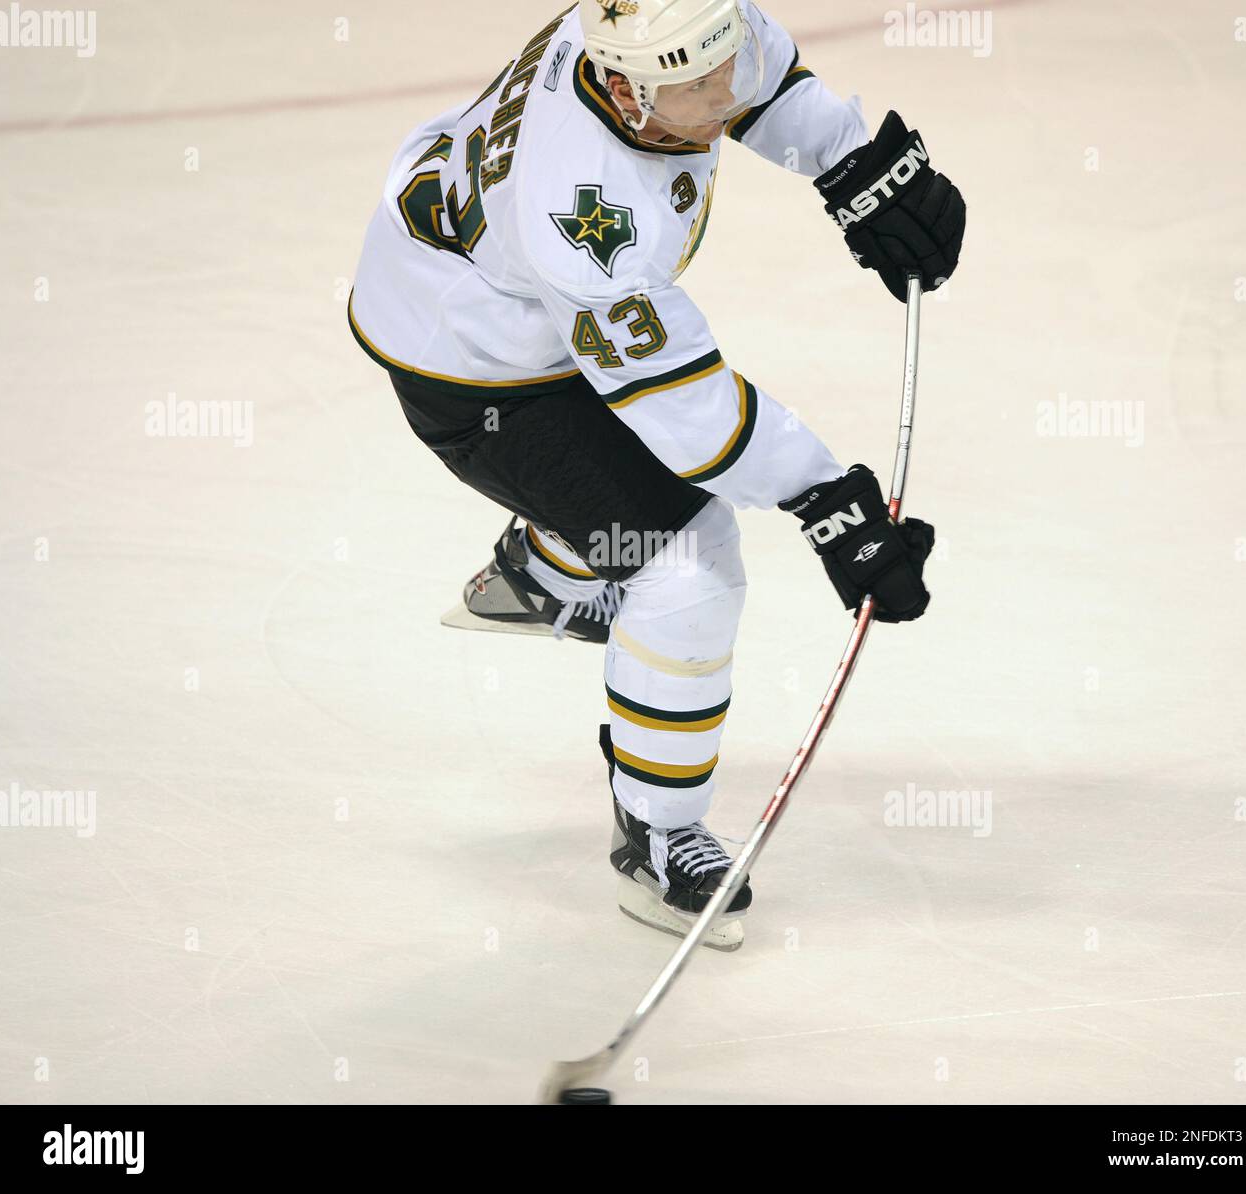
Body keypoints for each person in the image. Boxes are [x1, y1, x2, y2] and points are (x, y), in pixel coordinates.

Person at [349, 0, 965, 950]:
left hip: (488, 286)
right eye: (698, 88)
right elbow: (684, 411)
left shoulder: (665, 29)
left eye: (721, 68)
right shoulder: (582, 212)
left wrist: (852, 163)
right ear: (631, 91)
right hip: (477, 372)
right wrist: (830, 503)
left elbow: (755, 71)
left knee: (631, 520)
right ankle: (659, 834)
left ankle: (550, 570)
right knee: (689, 560)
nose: (726, 95)